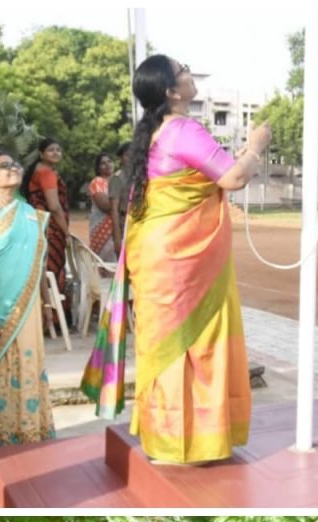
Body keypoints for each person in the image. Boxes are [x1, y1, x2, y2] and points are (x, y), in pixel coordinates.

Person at [82, 55, 271, 464]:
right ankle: (193, 441)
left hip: (156, 255)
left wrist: (239, 158)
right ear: (171, 91)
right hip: (183, 260)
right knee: (195, 342)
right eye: (183, 70)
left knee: (164, 344)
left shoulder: (156, 134)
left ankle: (165, 438)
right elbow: (233, 179)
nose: (190, 72)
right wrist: (256, 146)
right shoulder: (183, 129)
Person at [0, 148, 57, 448]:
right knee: (0, 366)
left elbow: (37, 261)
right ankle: (1, 435)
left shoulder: (29, 212)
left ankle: (30, 430)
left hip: (27, 305)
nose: (13, 168)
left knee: (29, 364)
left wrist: (45, 303)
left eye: (15, 164)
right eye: (3, 166)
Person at [24, 137, 71, 323]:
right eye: (51, 150)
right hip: (50, 227)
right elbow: (54, 206)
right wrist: (66, 232)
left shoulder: (37, 171)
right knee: (52, 269)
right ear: (41, 153)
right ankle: (52, 318)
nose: (55, 153)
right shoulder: (46, 173)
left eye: (58, 150)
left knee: (42, 270)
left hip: (38, 224)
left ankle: (43, 317)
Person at [88, 152, 121, 261]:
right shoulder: (97, 182)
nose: (108, 165)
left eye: (110, 161)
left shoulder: (117, 181)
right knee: (105, 266)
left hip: (118, 228)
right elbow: (106, 206)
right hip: (102, 231)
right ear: (98, 168)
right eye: (103, 163)